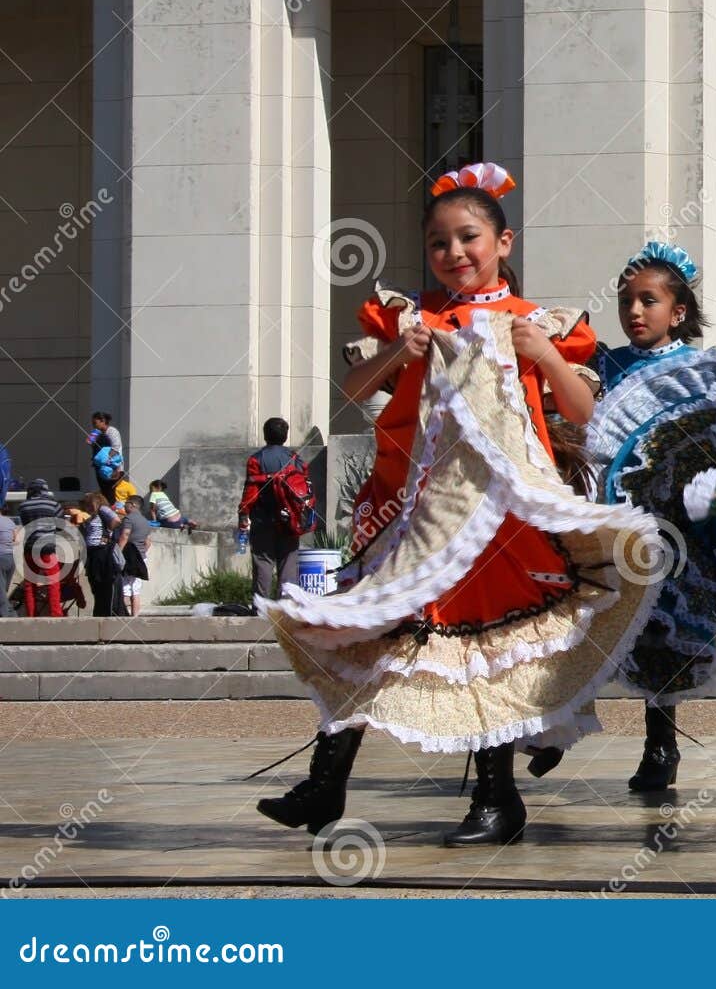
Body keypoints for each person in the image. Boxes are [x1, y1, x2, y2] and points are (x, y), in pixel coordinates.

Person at [256, 162, 663, 847]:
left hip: (502, 523)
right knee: (374, 634)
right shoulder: (414, 318)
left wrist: (548, 357)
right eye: (440, 242)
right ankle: (327, 782)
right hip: (419, 519)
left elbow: (583, 410)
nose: (454, 254)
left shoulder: (536, 322)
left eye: (468, 237)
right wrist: (395, 352)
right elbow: (357, 389)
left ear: (503, 243)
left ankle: (496, 797)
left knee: (484, 646)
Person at [580, 240, 716, 792]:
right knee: (626, 627)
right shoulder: (606, 365)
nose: (634, 312)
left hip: (682, 523)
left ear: (679, 311)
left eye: (648, 300)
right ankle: (573, 727)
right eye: (626, 301)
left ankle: (661, 741)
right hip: (623, 516)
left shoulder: (700, 368)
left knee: (671, 626)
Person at [237, 418, 312, 602]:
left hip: (263, 519)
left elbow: (251, 491)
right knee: (288, 561)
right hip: (291, 520)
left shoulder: (256, 459)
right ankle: (286, 604)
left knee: (263, 560)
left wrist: (243, 514)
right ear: (285, 436)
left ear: (264, 435)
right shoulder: (296, 459)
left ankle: (261, 605)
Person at [18, 481, 67, 619]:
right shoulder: (53, 505)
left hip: (29, 547)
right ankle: (55, 614)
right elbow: (61, 526)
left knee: (29, 583)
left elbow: (26, 524)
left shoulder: (23, 506)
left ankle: (31, 615)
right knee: (53, 582)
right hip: (47, 547)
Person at [80, 492, 126, 618]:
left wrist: (107, 534)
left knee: (106, 582)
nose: (86, 506)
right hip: (92, 553)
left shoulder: (102, 509)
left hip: (102, 551)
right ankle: (100, 611)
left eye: (88, 502)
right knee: (96, 583)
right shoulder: (89, 515)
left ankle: (109, 611)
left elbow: (116, 520)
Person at [117, 497, 153, 616]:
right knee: (136, 590)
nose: (124, 505)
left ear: (132, 505)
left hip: (128, 557)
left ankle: (122, 614)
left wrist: (117, 554)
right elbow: (148, 542)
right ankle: (135, 617)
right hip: (141, 557)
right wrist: (141, 553)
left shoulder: (128, 518)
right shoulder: (145, 521)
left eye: (126, 503)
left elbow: (125, 536)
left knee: (125, 588)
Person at [87, 411, 125, 499]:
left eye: (95, 423)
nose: (93, 425)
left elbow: (115, 447)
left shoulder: (112, 431)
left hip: (113, 468)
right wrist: (94, 434)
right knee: (104, 491)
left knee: (110, 492)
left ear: (103, 421)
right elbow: (89, 442)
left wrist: (107, 459)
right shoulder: (97, 433)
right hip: (101, 468)